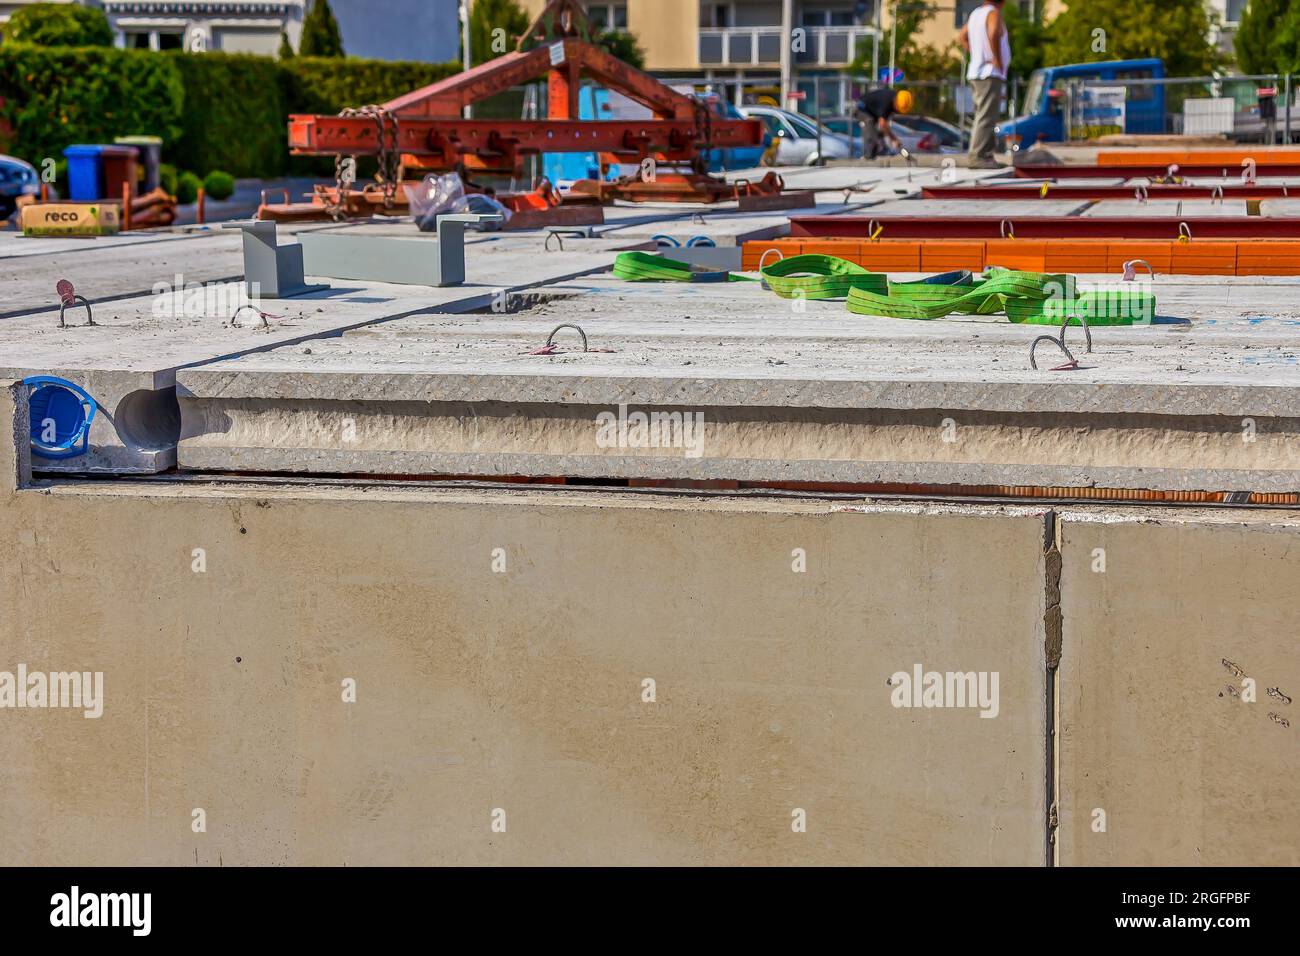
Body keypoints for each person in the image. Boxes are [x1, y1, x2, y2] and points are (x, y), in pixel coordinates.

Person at [959, 0, 1011, 169]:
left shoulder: (976, 14)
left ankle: (986, 155)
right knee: (986, 116)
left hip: (977, 72)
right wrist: (996, 58)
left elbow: (962, 36)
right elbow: (994, 32)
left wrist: (976, 55)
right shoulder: (992, 13)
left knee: (984, 115)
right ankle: (978, 156)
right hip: (989, 73)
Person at [856, 87, 915, 159]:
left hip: (873, 112)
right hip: (862, 109)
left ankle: (875, 151)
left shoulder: (894, 101)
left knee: (879, 132)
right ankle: (868, 156)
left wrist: (888, 135)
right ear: (896, 102)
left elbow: (884, 125)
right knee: (870, 125)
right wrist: (893, 139)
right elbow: (883, 124)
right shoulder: (886, 102)